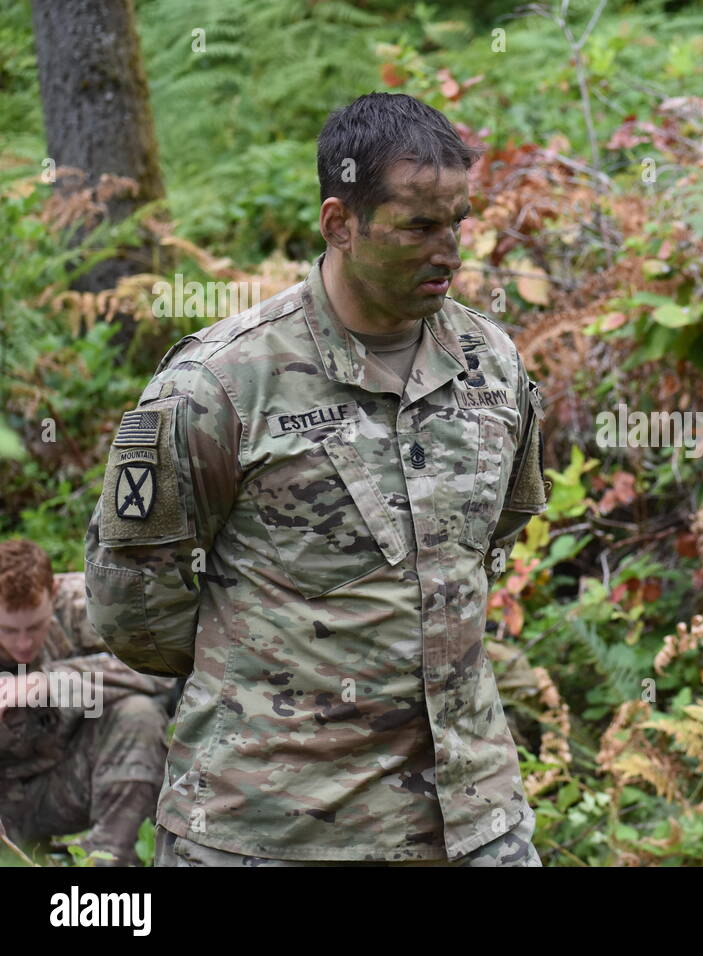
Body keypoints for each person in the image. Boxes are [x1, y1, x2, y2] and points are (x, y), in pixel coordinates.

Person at [84, 93, 551, 867]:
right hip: (272, 828)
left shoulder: (490, 363)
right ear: (340, 223)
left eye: (458, 223)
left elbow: (498, 527)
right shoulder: (223, 384)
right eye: (418, 227)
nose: (450, 251)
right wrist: (266, 674)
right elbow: (132, 603)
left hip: (471, 819)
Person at [0, 539, 172, 865]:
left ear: (53, 591)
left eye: (35, 627)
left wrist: (52, 681)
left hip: (70, 779)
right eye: (7, 630)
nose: (22, 644)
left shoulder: (87, 605)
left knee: (139, 714)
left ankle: (108, 864)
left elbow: (160, 670)